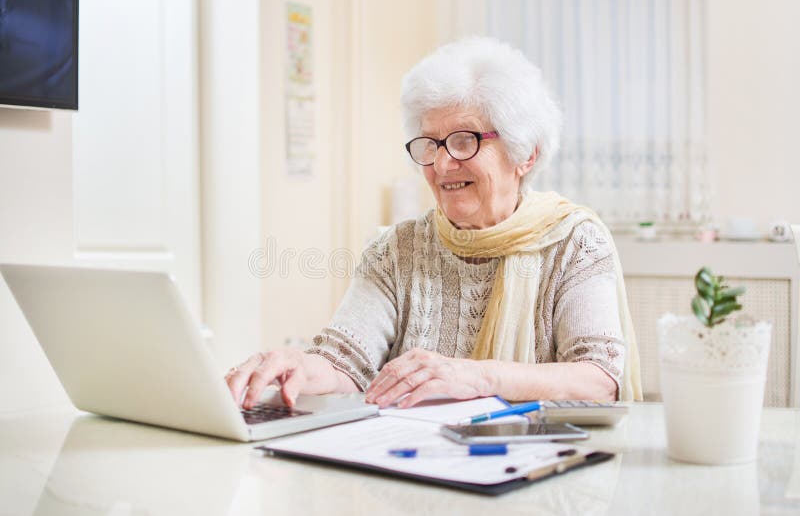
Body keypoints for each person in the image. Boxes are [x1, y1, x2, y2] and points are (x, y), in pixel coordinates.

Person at [226, 37, 642, 410]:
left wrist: (479, 377)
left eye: (465, 140)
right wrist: (297, 364)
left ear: (525, 154)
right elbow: (345, 362)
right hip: (415, 474)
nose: (442, 164)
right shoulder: (396, 250)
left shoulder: (575, 243)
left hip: (538, 475)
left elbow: (599, 380)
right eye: (431, 143)